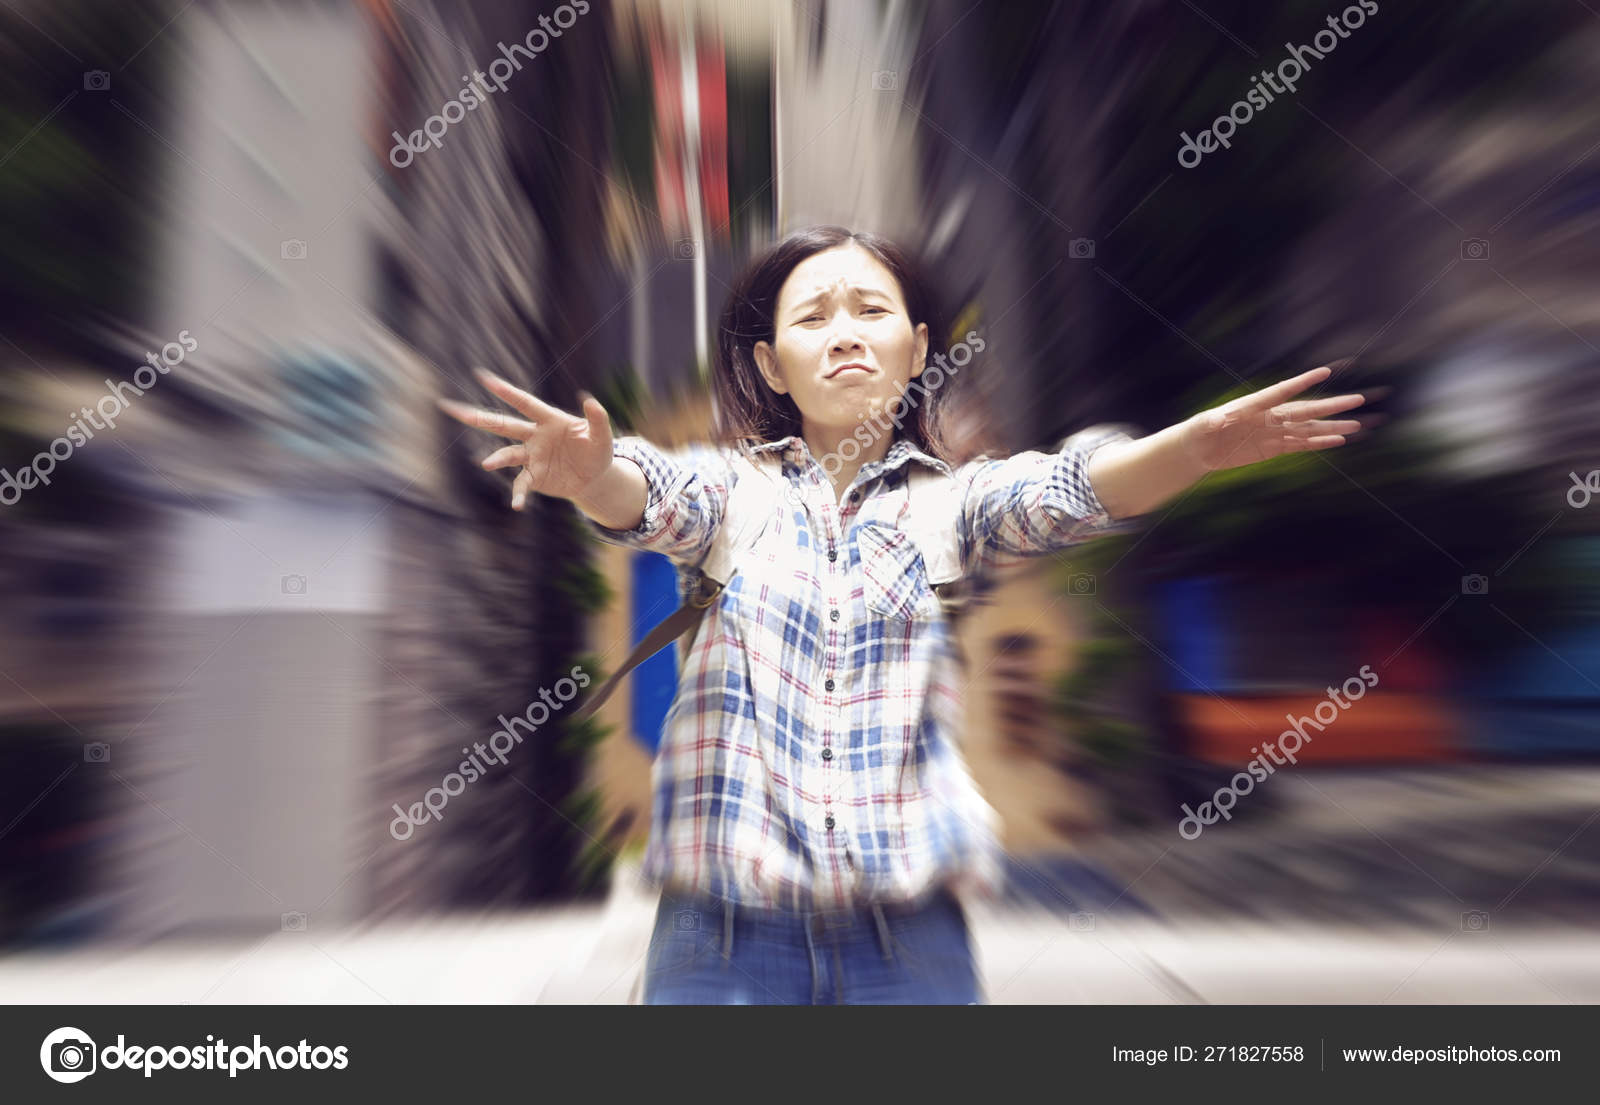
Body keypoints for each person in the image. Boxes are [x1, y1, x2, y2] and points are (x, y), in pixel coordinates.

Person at [439, 225, 1368, 1004]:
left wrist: (1192, 449)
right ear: (772, 364)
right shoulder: (729, 494)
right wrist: (590, 473)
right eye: (814, 316)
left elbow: (1069, 491)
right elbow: (650, 493)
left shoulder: (948, 506)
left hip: (906, 942)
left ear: (919, 350)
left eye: (870, 309)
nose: (844, 332)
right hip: (721, 936)